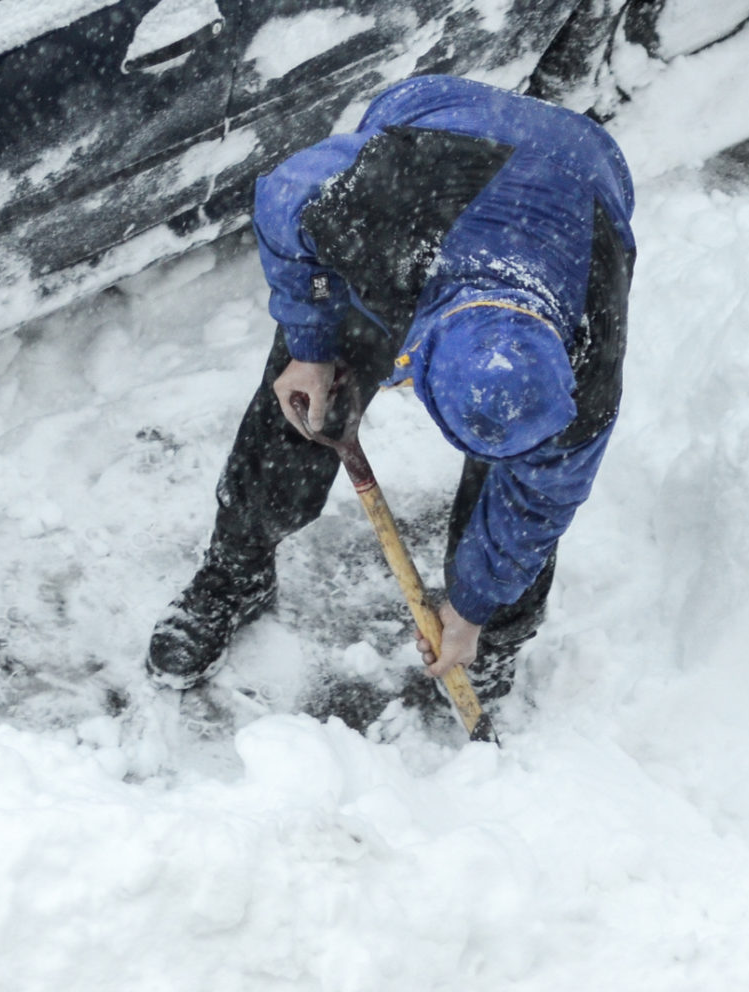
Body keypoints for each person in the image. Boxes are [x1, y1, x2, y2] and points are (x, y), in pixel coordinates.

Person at [146, 74, 635, 718]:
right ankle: (236, 568)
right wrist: (311, 344)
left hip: (581, 175)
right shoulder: (378, 204)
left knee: (518, 496)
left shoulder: (587, 355)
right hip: (440, 138)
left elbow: (539, 502)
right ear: (414, 353)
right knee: (303, 410)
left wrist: (472, 608)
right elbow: (283, 198)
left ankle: (488, 638)